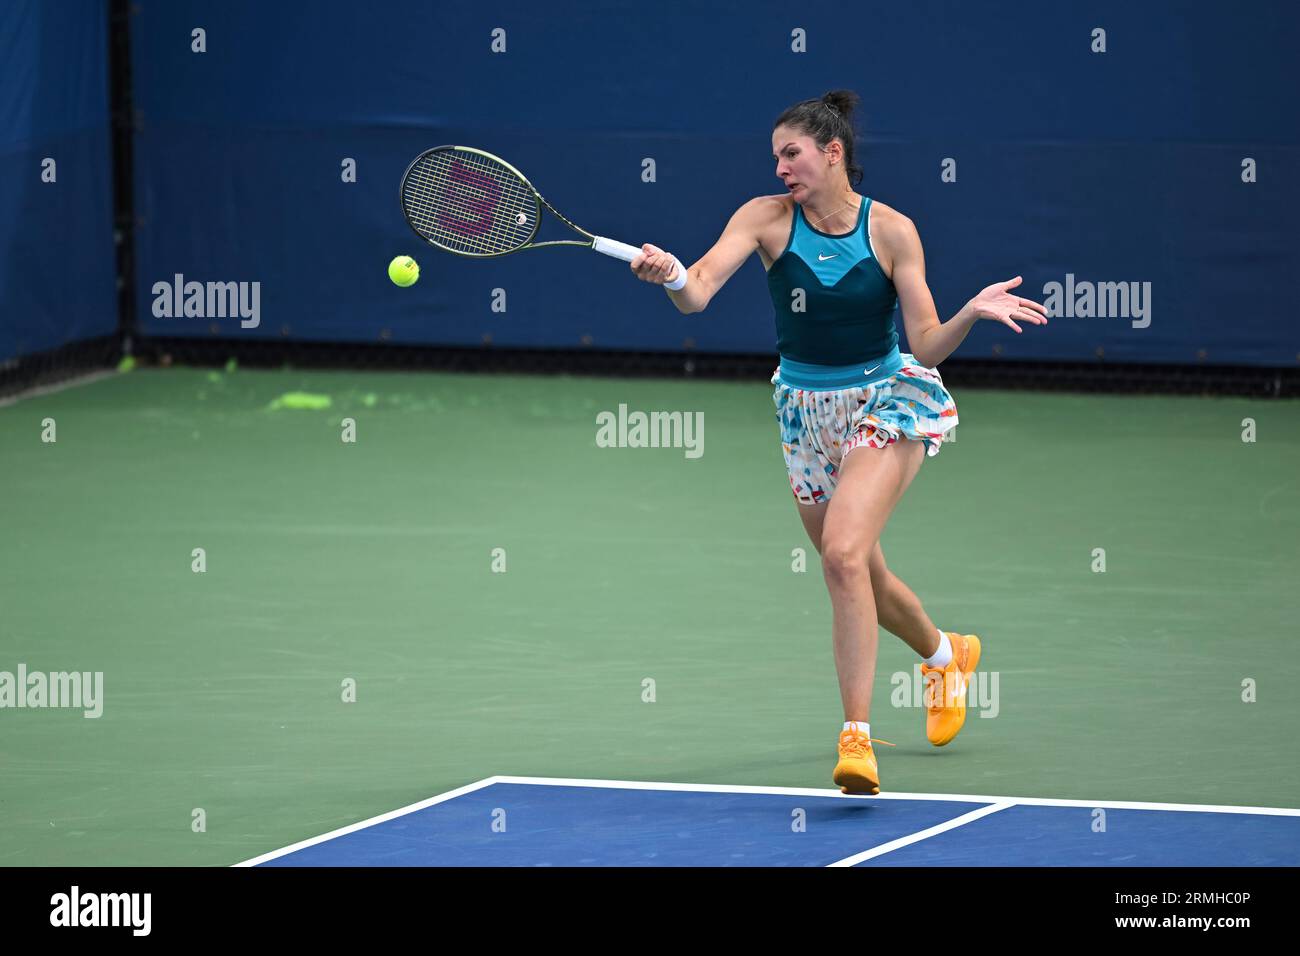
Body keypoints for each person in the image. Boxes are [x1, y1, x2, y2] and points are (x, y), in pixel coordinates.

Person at [629, 89, 1047, 794]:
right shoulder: (763, 219)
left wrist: (970, 312)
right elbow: (697, 292)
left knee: (843, 556)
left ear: (833, 152)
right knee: (859, 572)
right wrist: (669, 274)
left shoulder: (892, 231)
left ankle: (856, 739)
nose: (781, 169)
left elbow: (927, 345)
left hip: (885, 398)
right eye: (775, 157)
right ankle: (948, 656)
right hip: (802, 410)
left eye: (791, 154)